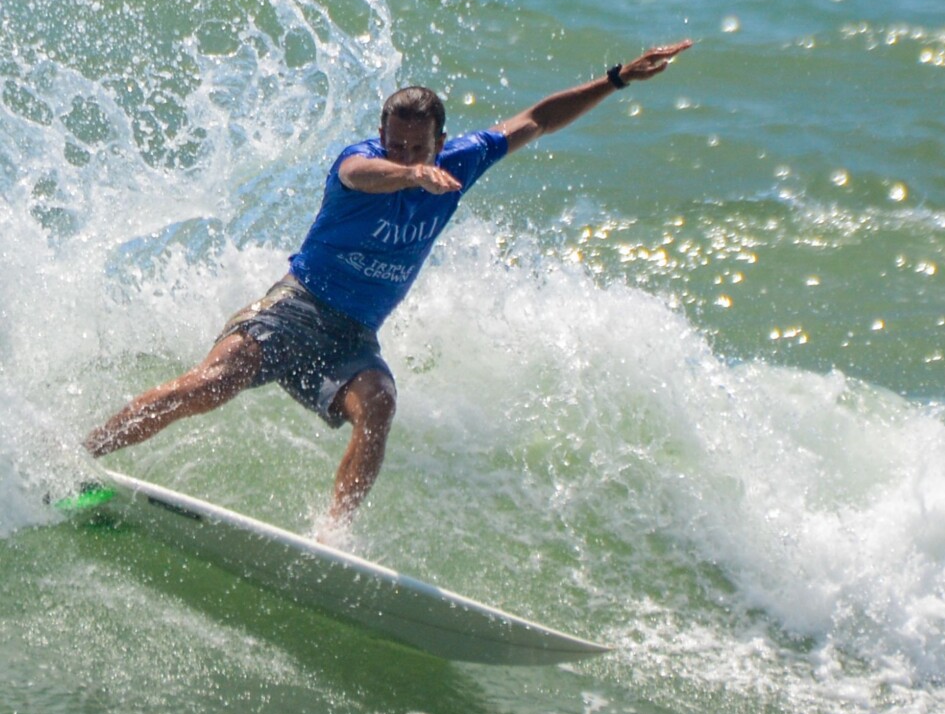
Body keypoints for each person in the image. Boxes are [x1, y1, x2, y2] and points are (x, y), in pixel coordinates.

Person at [84, 39, 693, 542]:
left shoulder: (467, 158)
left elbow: (536, 118)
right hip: (294, 308)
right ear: (381, 132)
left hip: (352, 333)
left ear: (441, 139)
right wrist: (407, 172)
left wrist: (617, 78)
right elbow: (362, 173)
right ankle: (81, 455)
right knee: (213, 383)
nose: (403, 153)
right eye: (394, 142)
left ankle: (332, 538)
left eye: (417, 147)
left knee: (378, 402)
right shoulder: (359, 161)